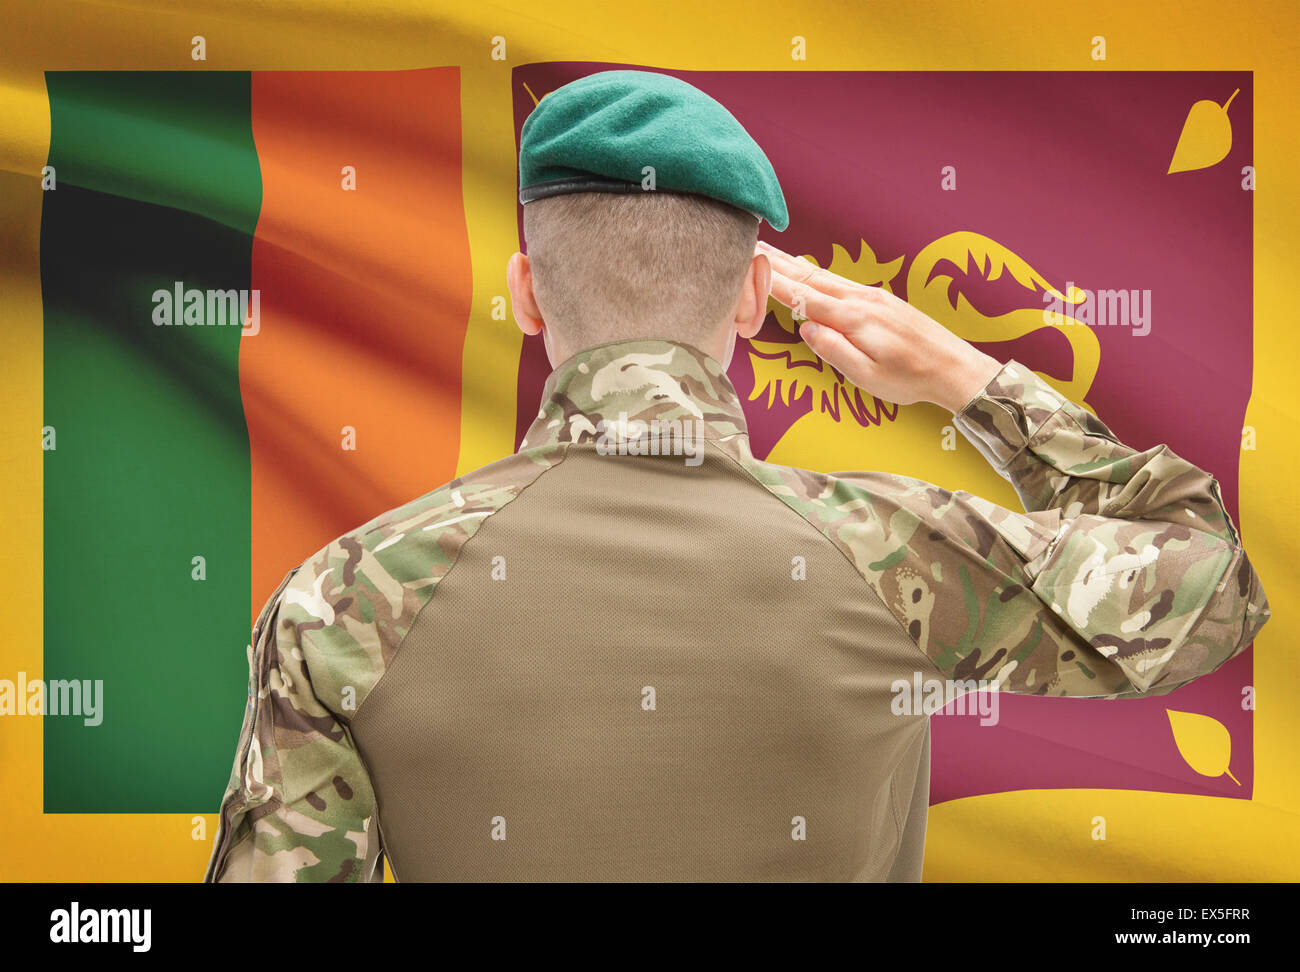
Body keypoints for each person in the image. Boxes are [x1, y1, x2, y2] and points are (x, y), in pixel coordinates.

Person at [204, 70, 1270, 882]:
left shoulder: (340, 599)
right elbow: (1209, 586)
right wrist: (967, 379)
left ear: (527, 294)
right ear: (757, 298)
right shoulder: (893, 555)